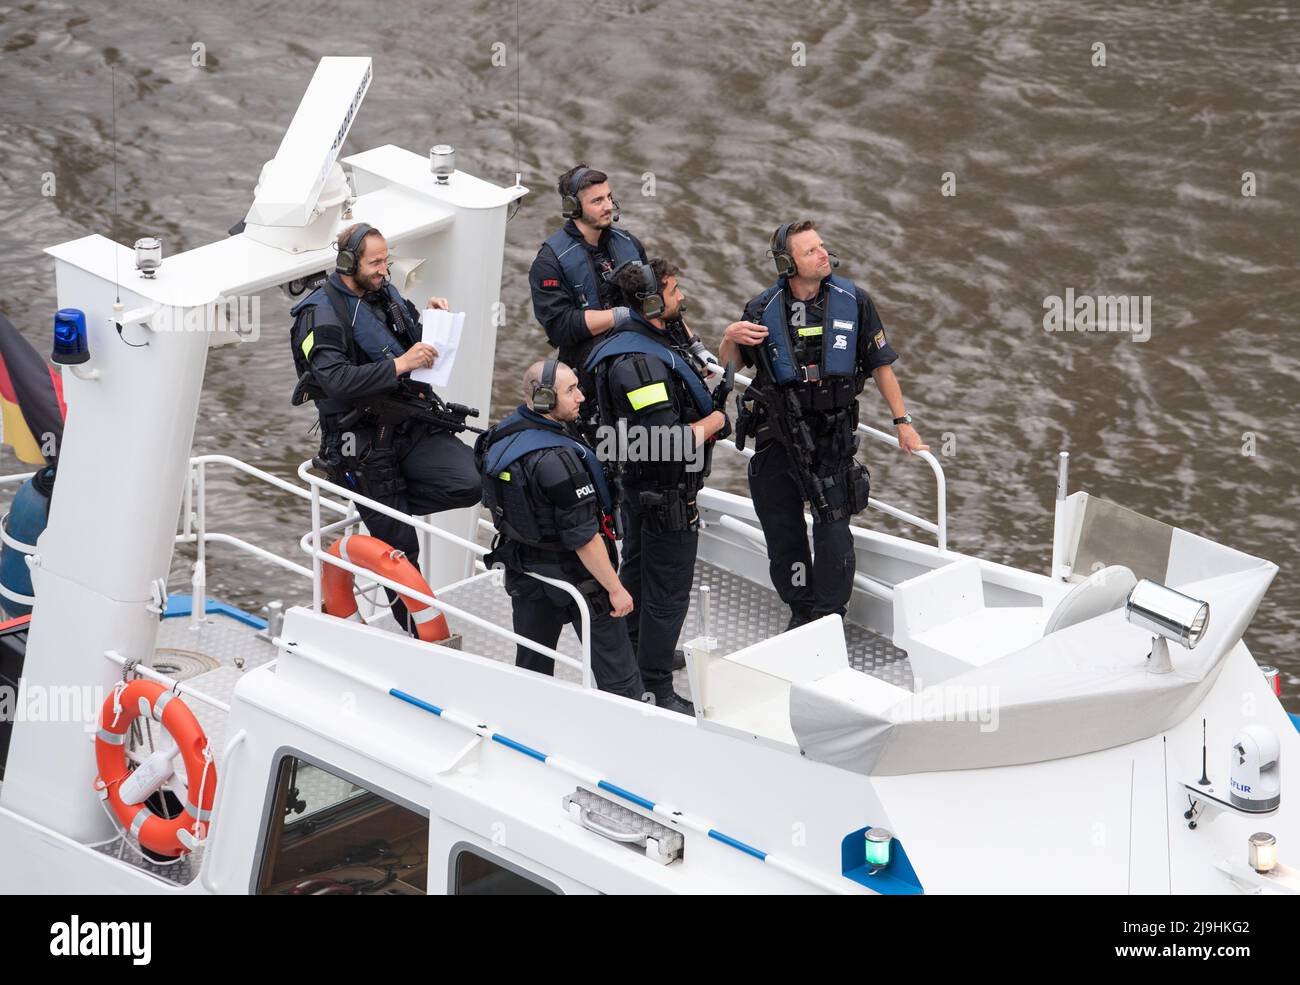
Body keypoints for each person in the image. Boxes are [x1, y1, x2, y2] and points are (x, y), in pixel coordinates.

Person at [718, 220, 928, 630]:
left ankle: (830, 615)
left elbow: (881, 367)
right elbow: (729, 367)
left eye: (822, 247)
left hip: (832, 438)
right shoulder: (761, 308)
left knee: (833, 530)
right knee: (783, 533)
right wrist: (728, 337)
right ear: (787, 263)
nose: (822, 255)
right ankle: (801, 611)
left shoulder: (855, 301)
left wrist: (903, 423)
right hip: (777, 436)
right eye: (811, 251)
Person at [290, 222, 482, 630]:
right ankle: (419, 642)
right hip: (359, 442)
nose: (384, 270)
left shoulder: (384, 295)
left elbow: (413, 346)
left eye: (386, 261)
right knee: (401, 551)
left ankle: (387, 510)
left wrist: (434, 322)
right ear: (346, 263)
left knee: (471, 482)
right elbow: (335, 379)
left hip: (409, 425)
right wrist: (401, 364)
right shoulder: (319, 315)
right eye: (375, 263)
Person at [585, 259, 731, 714]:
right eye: (673, 291)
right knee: (667, 593)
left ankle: (633, 657)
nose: (681, 296)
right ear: (651, 302)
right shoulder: (639, 364)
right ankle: (656, 687)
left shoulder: (645, 343)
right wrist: (716, 421)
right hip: (664, 493)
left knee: (639, 576)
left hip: (641, 489)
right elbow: (666, 441)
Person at [477, 360, 645, 700]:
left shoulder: (500, 436)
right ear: (541, 399)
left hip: (526, 572)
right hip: (581, 579)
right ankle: (633, 737)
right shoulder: (558, 460)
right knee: (621, 679)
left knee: (533, 668)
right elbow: (583, 537)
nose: (581, 397)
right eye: (570, 391)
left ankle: (532, 732)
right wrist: (615, 589)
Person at [528, 165, 647, 413]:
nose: (608, 206)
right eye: (597, 200)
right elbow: (560, 325)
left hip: (640, 353)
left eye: (609, 197)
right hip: (589, 370)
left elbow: (656, 299)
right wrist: (620, 315)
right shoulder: (549, 263)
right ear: (573, 207)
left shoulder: (629, 244)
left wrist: (693, 346)